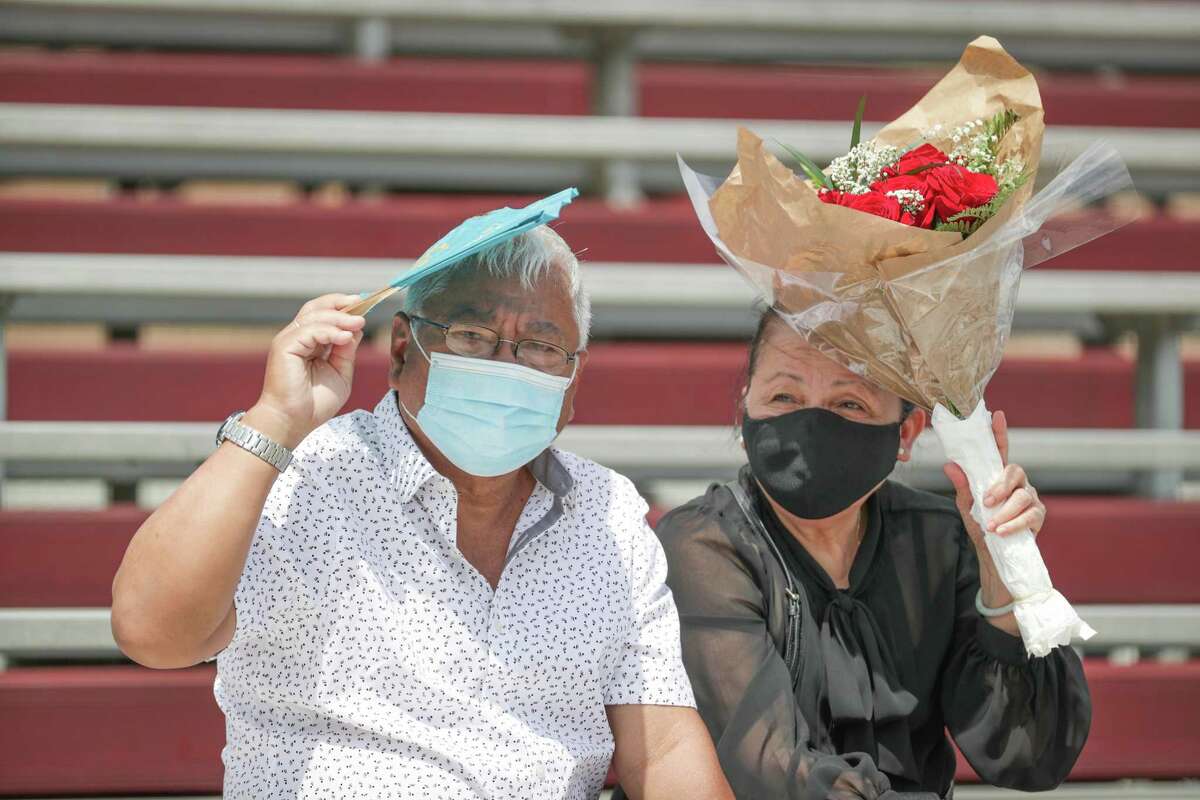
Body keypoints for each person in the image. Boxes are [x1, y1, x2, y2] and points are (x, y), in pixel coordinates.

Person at [111, 227, 733, 800]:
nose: (505, 365)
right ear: (404, 348)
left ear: (575, 377)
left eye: (542, 347)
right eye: (472, 336)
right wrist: (276, 418)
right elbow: (152, 632)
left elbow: (664, 748)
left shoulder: (607, 513)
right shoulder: (305, 475)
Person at [655, 309, 1090, 800]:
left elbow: (1031, 755)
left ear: (905, 433)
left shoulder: (938, 540)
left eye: (849, 403)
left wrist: (1003, 564)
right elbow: (767, 768)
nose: (811, 423)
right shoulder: (704, 545)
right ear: (744, 410)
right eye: (784, 397)